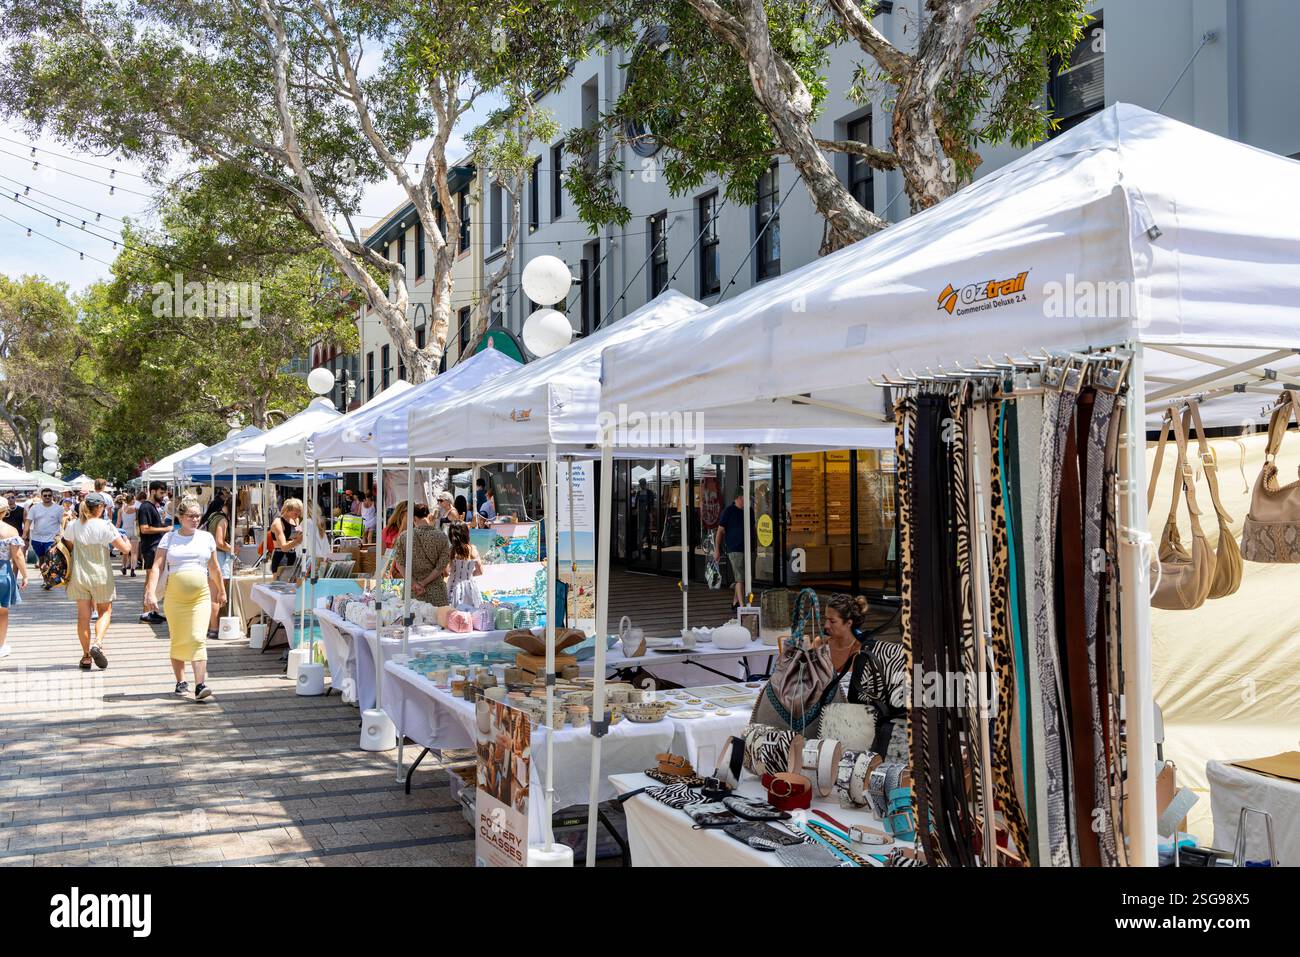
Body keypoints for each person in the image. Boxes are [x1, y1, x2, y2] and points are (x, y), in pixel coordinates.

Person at [143, 496, 226, 700]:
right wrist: (151, 592)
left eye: (198, 516)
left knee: (198, 637)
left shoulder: (206, 538)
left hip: (201, 596)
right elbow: (157, 566)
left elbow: (214, 567)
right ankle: (181, 681)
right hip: (175, 598)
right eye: (190, 516)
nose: (195, 519)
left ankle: (200, 685)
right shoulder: (169, 538)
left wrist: (222, 590)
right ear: (180, 517)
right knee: (179, 639)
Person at [824, 593, 907, 757]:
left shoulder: (865, 651)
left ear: (848, 623)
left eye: (832, 621)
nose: (826, 625)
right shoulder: (821, 646)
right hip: (832, 713)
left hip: (856, 716)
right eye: (825, 618)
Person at [64, 498, 131, 670]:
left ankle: (86, 656)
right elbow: (124, 549)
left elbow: (68, 545)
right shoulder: (106, 525)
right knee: (105, 611)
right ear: (100, 508)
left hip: (79, 575)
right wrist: (128, 542)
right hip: (101, 575)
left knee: (83, 617)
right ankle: (98, 643)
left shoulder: (73, 525)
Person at [390, 503, 451, 605]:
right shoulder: (442, 537)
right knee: (437, 619)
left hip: (413, 592)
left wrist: (414, 584)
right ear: (428, 516)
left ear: (414, 518)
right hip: (436, 592)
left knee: (412, 619)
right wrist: (423, 583)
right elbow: (441, 566)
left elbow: (399, 564)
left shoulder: (404, 537)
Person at [202, 494, 234, 640]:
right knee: (217, 596)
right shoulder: (222, 519)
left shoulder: (213, 515)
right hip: (219, 559)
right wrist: (232, 548)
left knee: (212, 595)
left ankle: (210, 627)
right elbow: (219, 542)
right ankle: (214, 628)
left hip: (211, 558)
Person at [137, 482, 170, 623]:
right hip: (150, 547)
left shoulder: (151, 507)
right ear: (152, 491)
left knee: (152, 580)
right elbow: (144, 528)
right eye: (161, 493)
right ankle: (146, 613)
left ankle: (152, 610)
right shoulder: (145, 507)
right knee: (151, 579)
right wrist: (165, 529)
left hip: (154, 546)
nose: (163, 496)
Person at [0, 500, 29, 659]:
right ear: (5, 512)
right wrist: (25, 575)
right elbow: (17, 555)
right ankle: (0, 646)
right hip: (2, 572)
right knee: (2, 611)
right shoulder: (10, 531)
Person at [714, 489, 752, 609]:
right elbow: (720, 531)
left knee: (742, 577)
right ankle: (742, 606)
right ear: (739, 498)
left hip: (747, 548)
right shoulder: (729, 511)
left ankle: (735, 602)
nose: (748, 500)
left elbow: (753, 528)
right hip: (734, 549)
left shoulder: (749, 511)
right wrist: (717, 550)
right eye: (746, 497)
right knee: (740, 578)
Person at [24, 487, 64, 587]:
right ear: (41, 497)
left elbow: (63, 522)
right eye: (45, 495)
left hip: (51, 539)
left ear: (52, 496)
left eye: (49, 495)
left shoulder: (58, 509)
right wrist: (24, 534)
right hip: (37, 539)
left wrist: (62, 533)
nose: (47, 497)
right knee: (41, 559)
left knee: (48, 560)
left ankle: (50, 580)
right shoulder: (35, 508)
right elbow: (28, 521)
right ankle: (45, 580)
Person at [446, 522, 484, 611]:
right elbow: (480, 571)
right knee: (473, 615)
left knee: (453, 615)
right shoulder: (473, 549)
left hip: (453, 586)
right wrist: (468, 575)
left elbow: (446, 572)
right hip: (470, 586)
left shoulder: (450, 551)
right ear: (466, 534)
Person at [268, 498, 304, 573]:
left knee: (293, 583)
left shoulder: (295, 520)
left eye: (299, 513)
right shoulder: (278, 523)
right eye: (296, 513)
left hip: (293, 555)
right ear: (287, 510)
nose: (298, 515)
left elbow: (298, 533)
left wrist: (300, 537)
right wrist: (297, 541)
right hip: (281, 557)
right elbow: (283, 547)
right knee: (280, 583)